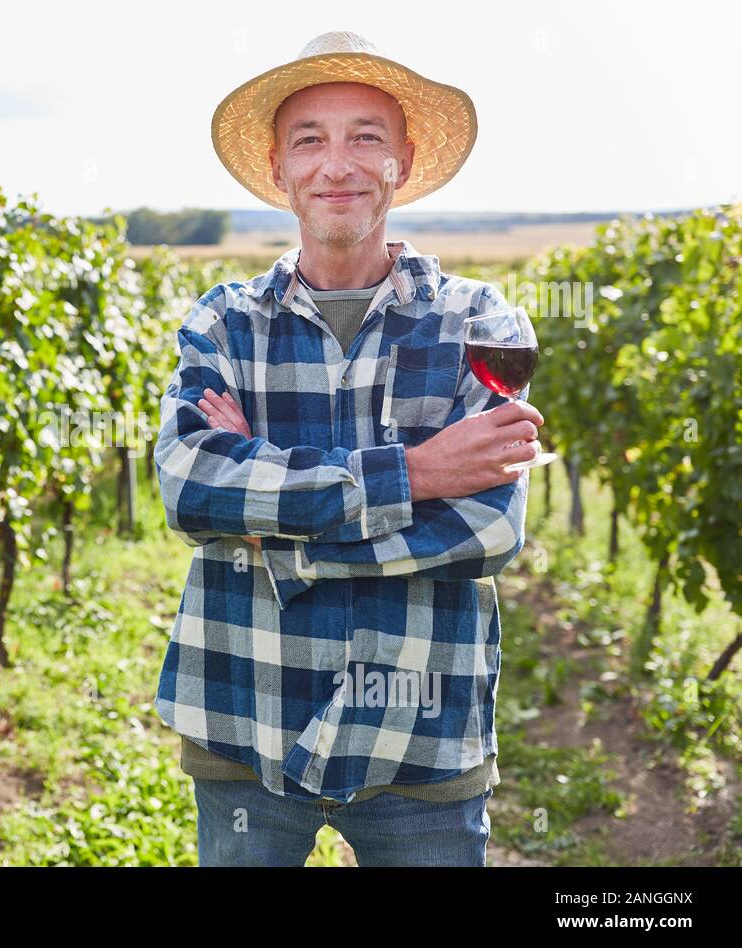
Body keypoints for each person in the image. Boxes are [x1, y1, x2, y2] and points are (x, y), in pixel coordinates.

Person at [153, 30, 545, 866]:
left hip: (421, 736)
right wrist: (420, 472)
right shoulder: (222, 320)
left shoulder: (484, 324)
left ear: (402, 159)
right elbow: (192, 489)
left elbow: (489, 531)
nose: (339, 164)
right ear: (278, 168)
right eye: (310, 140)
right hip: (245, 719)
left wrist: (275, 532)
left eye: (366, 136)